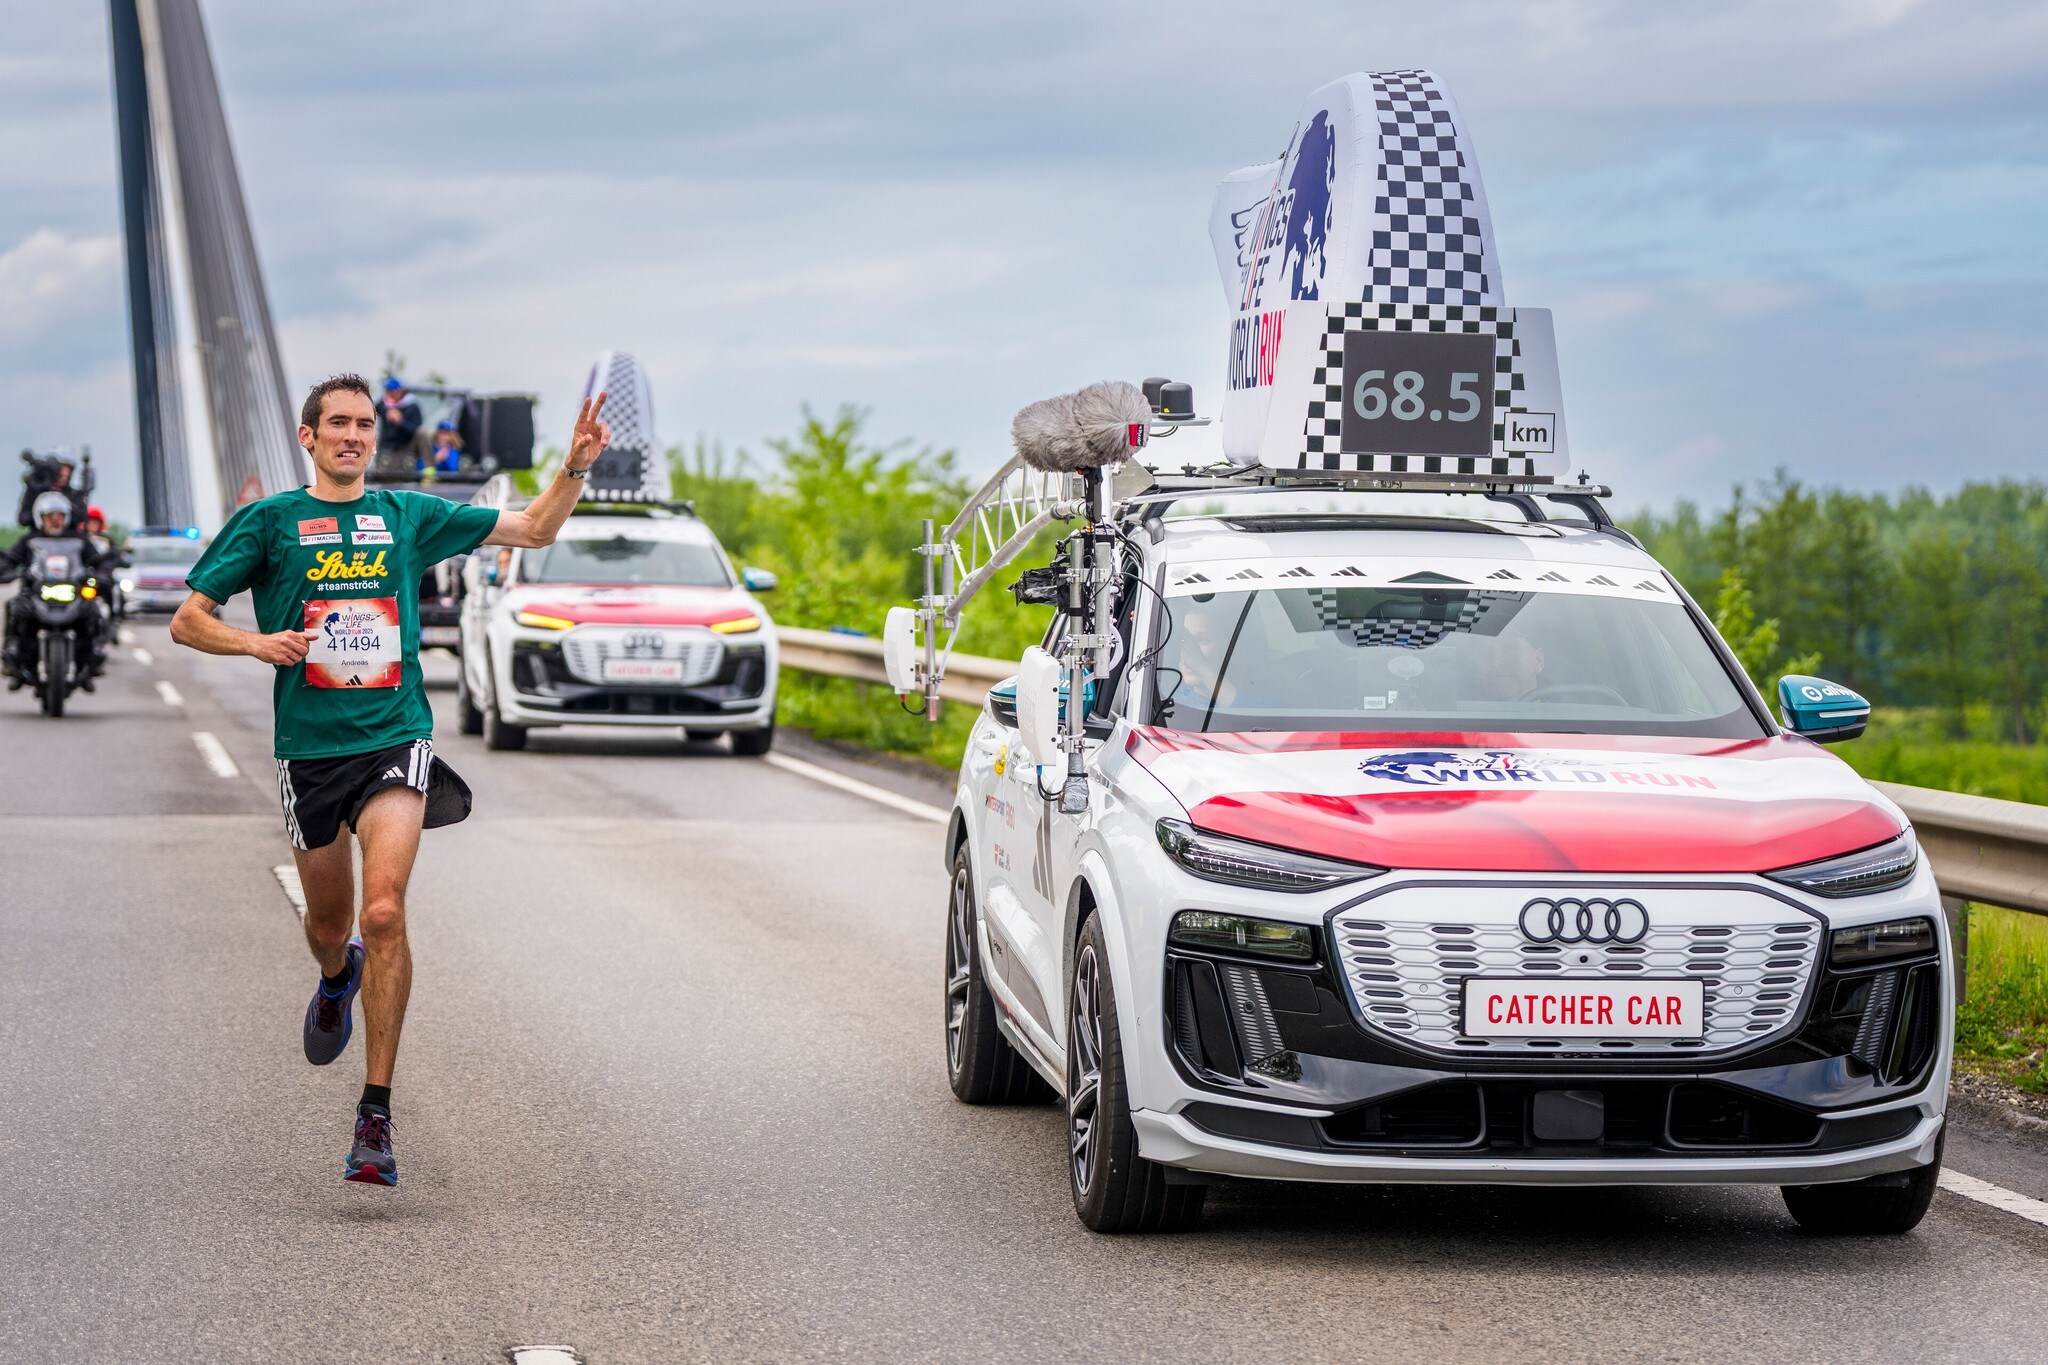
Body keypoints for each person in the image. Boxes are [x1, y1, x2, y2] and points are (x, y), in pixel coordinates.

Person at [170, 372, 610, 1187]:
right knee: (331, 923)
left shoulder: (408, 515)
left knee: (383, 909)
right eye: (336, 423)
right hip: (309, 750)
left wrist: (574, 468)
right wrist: (255, 644)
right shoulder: (269, 522)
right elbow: (188, 617)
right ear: (308, 437)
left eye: (364, 424)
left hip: (394, 736)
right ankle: (336, 977)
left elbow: (536, 529)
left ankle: (374, 1114)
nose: (352, 435)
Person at [1, 491, 119, 686]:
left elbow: (98, 561)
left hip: (72, 592)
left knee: (92, 611)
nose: (55, 521)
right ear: (41, 518)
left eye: (59, 516)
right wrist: (7, 571)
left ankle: (91, 660)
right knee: (15, 608)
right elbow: (10, 560)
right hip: (37, 593)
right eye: (50, 516)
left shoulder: (79, 540)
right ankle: (12, 660)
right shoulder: (30, 540)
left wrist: (103, 573)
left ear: (66, 517)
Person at [376, 377, 427, 469]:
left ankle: (429, 467)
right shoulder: (383, 405)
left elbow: (415, 428)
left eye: (393, 391)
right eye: (388, 391)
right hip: (389, 447)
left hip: (407, 446)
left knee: (422, 431)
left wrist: (400, 422)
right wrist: (387, 412)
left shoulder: (412, 407)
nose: (391, 394)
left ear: (400, 390)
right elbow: (374, 409)